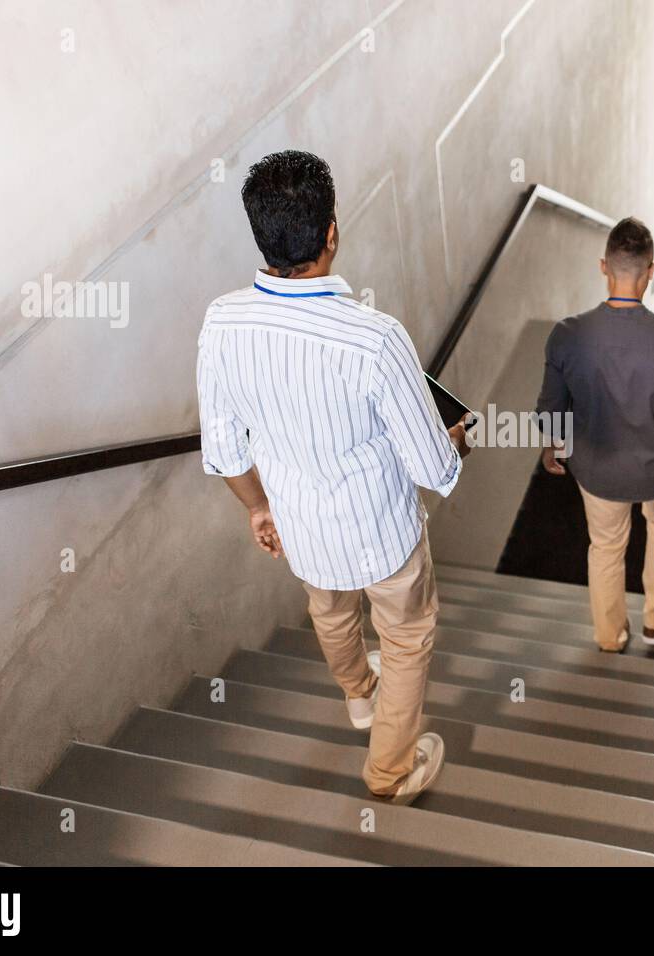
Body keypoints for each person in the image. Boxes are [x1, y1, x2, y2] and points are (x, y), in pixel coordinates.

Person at [196, 150, 471, 804]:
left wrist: (258, 510)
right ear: (331, 233)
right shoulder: (375, 339)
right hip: (382, 536)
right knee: (405, 638)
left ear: (262, 236)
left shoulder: (223, 322)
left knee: (329, 611)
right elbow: (435, 469)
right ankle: (390, 772)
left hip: (301, 528)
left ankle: (357, 695)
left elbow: (224, 451)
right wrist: (453, 437)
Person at [535, 217, 654, 653]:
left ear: (604, 266)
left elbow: (551, 409)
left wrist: (552, 448)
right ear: (651, 271)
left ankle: (610, 636)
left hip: (596, 470)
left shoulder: (567, 335)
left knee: (606, 547)